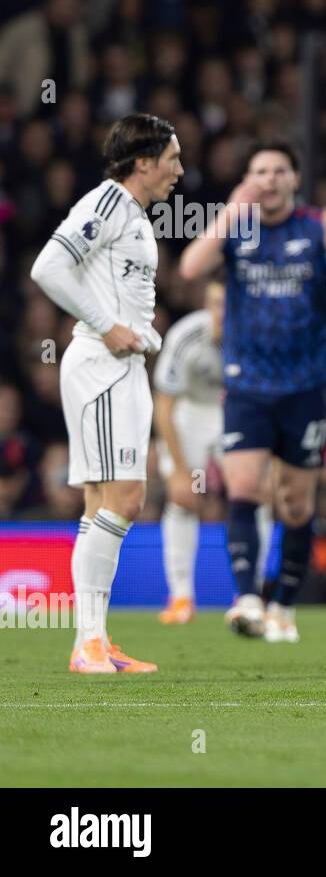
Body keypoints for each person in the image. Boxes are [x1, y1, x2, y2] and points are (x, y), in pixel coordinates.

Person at [178, 140, 326, 642]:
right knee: (243, 489)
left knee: (296, 503)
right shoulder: (237, 229)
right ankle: (247, 599)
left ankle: (284, 604)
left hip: (305, 386)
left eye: (279, 170)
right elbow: (191, 268)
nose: (269, 178)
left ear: (295, 179)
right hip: (247, 386)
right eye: (259, 170)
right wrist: (229, 212)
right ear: (247, 178)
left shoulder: (315, 230)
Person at [29, 112, 183, 673]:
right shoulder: (109, 203)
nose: (179, 170)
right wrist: (110, 326)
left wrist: (139, 330)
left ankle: (93, 641)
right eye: (171, 159)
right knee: (124, 500)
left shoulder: (135, 215)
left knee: (103, 504)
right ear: (142, 162)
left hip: (123, 366)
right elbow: (48, 267)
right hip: (102, 364)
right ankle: (88, 642)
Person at [152, 278, 273, 623]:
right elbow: (164, 405)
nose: (222, 313)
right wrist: (178, 470)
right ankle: (181, 597)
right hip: (190, 412)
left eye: (229, 304)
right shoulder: (185, 337)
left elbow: (269, 399)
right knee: (183, 499)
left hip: (236, 410)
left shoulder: (258, 339)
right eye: (216, 304)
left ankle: (250, 592)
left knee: (253, 497)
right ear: (207, 306)